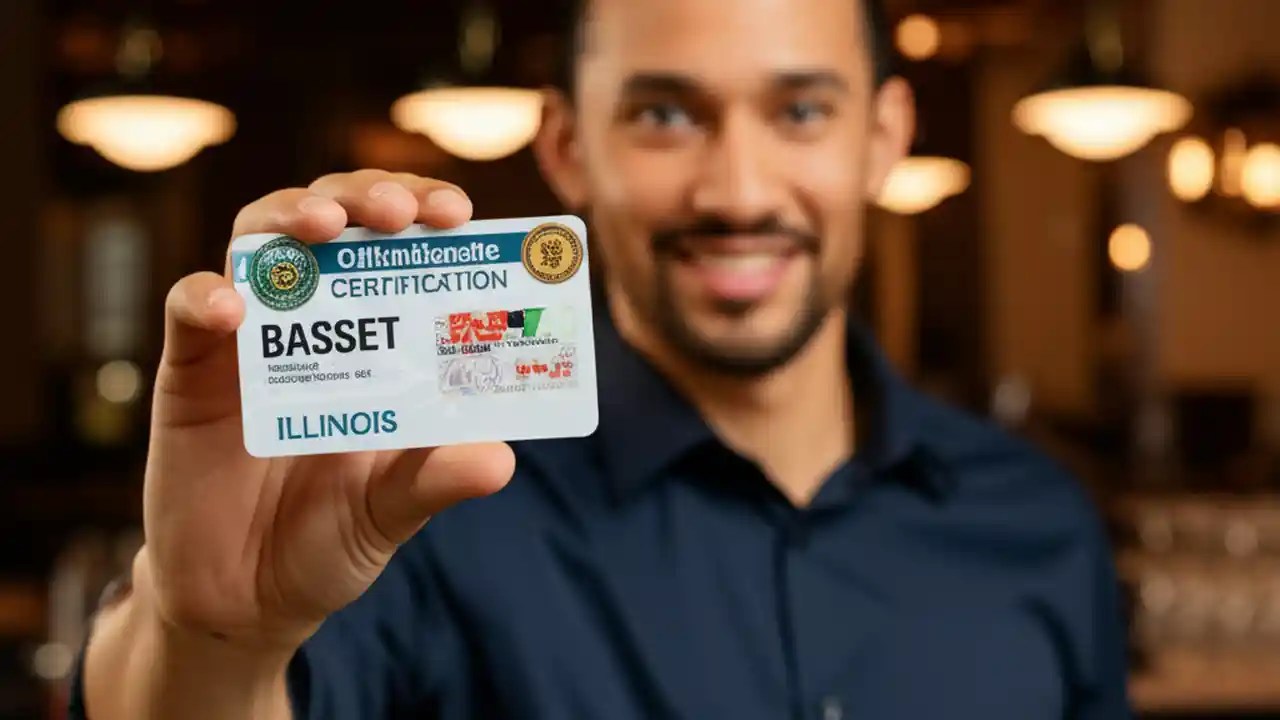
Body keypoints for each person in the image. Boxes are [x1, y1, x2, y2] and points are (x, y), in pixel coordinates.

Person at [73, 0, 1131, 717]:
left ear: (882, 136)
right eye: (664, 114)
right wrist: (208, 642)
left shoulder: (1037, 519)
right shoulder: (414, 504)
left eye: (800, 110)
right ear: (568, 146)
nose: (737, 192)